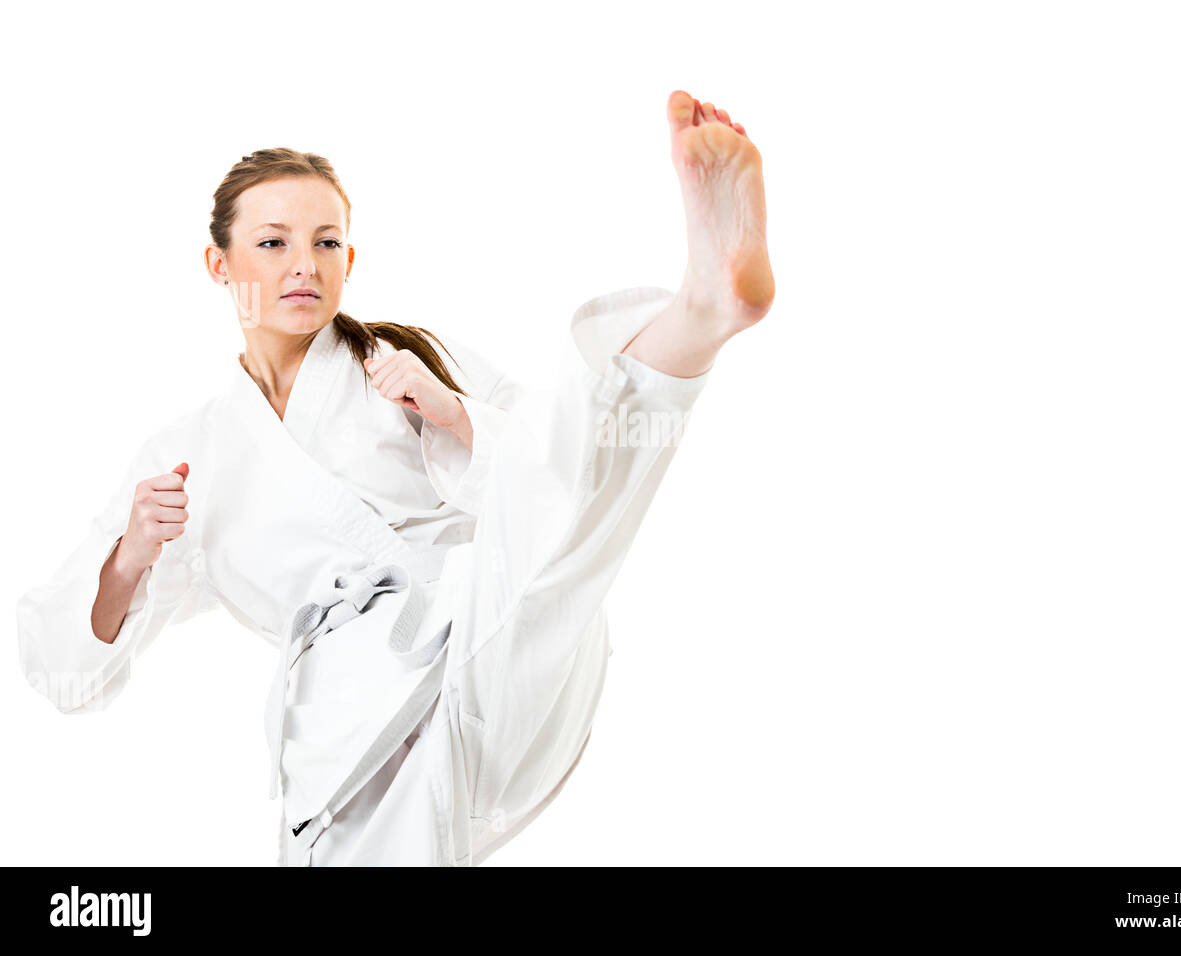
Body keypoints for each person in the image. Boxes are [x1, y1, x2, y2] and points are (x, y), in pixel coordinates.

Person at [16, 89, 775, 866]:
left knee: (545, 498)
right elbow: (61, 670)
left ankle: (702, 311)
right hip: (352, 730)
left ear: (351, 259)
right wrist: (131, 556)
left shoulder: (404, 356)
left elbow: (550, 469)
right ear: (219, 264)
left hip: (510, 637)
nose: (305, 265)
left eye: (327, 242)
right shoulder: (188, 455)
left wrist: (453, 416)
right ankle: (699, 316)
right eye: (273, 244)